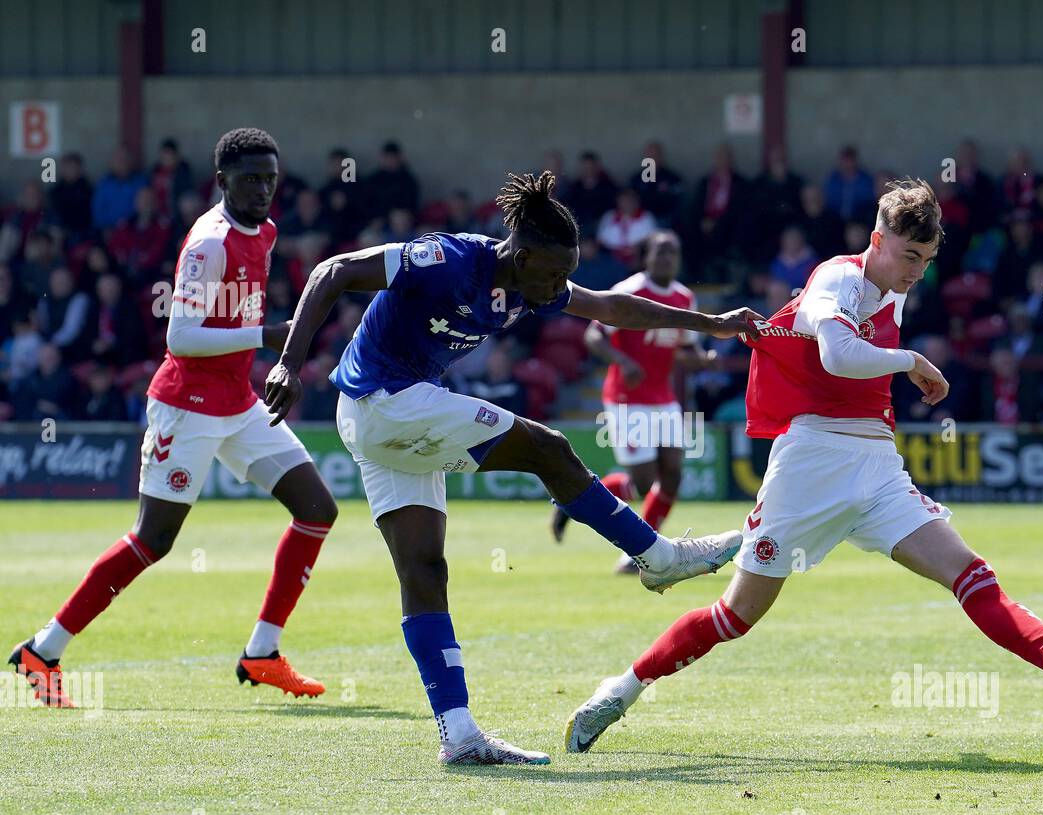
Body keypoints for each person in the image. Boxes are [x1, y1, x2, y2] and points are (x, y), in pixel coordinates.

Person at [565, 178, 1043, 753]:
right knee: (735, 618)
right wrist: (910, 360)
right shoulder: (836, 279)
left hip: (877, 465)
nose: (915, 272)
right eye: (908, 256)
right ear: (877, 239)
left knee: (971, 573)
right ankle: (621, 689)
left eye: (925, 260)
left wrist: (902, 358)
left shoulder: (895, 287)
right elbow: (838, 353)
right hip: (813, 463)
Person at [263, 171, 759, 766]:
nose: (558, 287)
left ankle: (459, 733)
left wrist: (711, 324)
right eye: (551, 272)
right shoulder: (446, 259)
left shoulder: (536, 284)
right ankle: (657, 558)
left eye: (563, 274)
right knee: (547, 449)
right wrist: (290, 364)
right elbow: (334, 271)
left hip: (392, 423)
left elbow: (609, 307)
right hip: (383, 401)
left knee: (425, 569)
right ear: (519, 254)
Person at [10, 128, 339, 709]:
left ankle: (262, 652)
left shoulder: (264, 232)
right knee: (154, 539)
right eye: (250, 179)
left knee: (317, 509)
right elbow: (181, 336)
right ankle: (44, 647)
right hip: (186, 406)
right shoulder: (209, 243)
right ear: (222, 182)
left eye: (270, 178)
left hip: (238, 400)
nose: (263, 189)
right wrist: (267, 336)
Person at [552, 230, 710, 570]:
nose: (667, 258)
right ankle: (571, 501)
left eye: (672, 252)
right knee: (641, 483)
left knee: (673, 476)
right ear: (647, 257)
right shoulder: (629, 291)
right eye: (660, 252)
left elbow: (683, 347)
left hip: (663, 397)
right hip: (627, 398)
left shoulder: (685, 298)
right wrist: (623, 361)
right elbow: (594, 334)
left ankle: (641, 552)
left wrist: (699, 357)